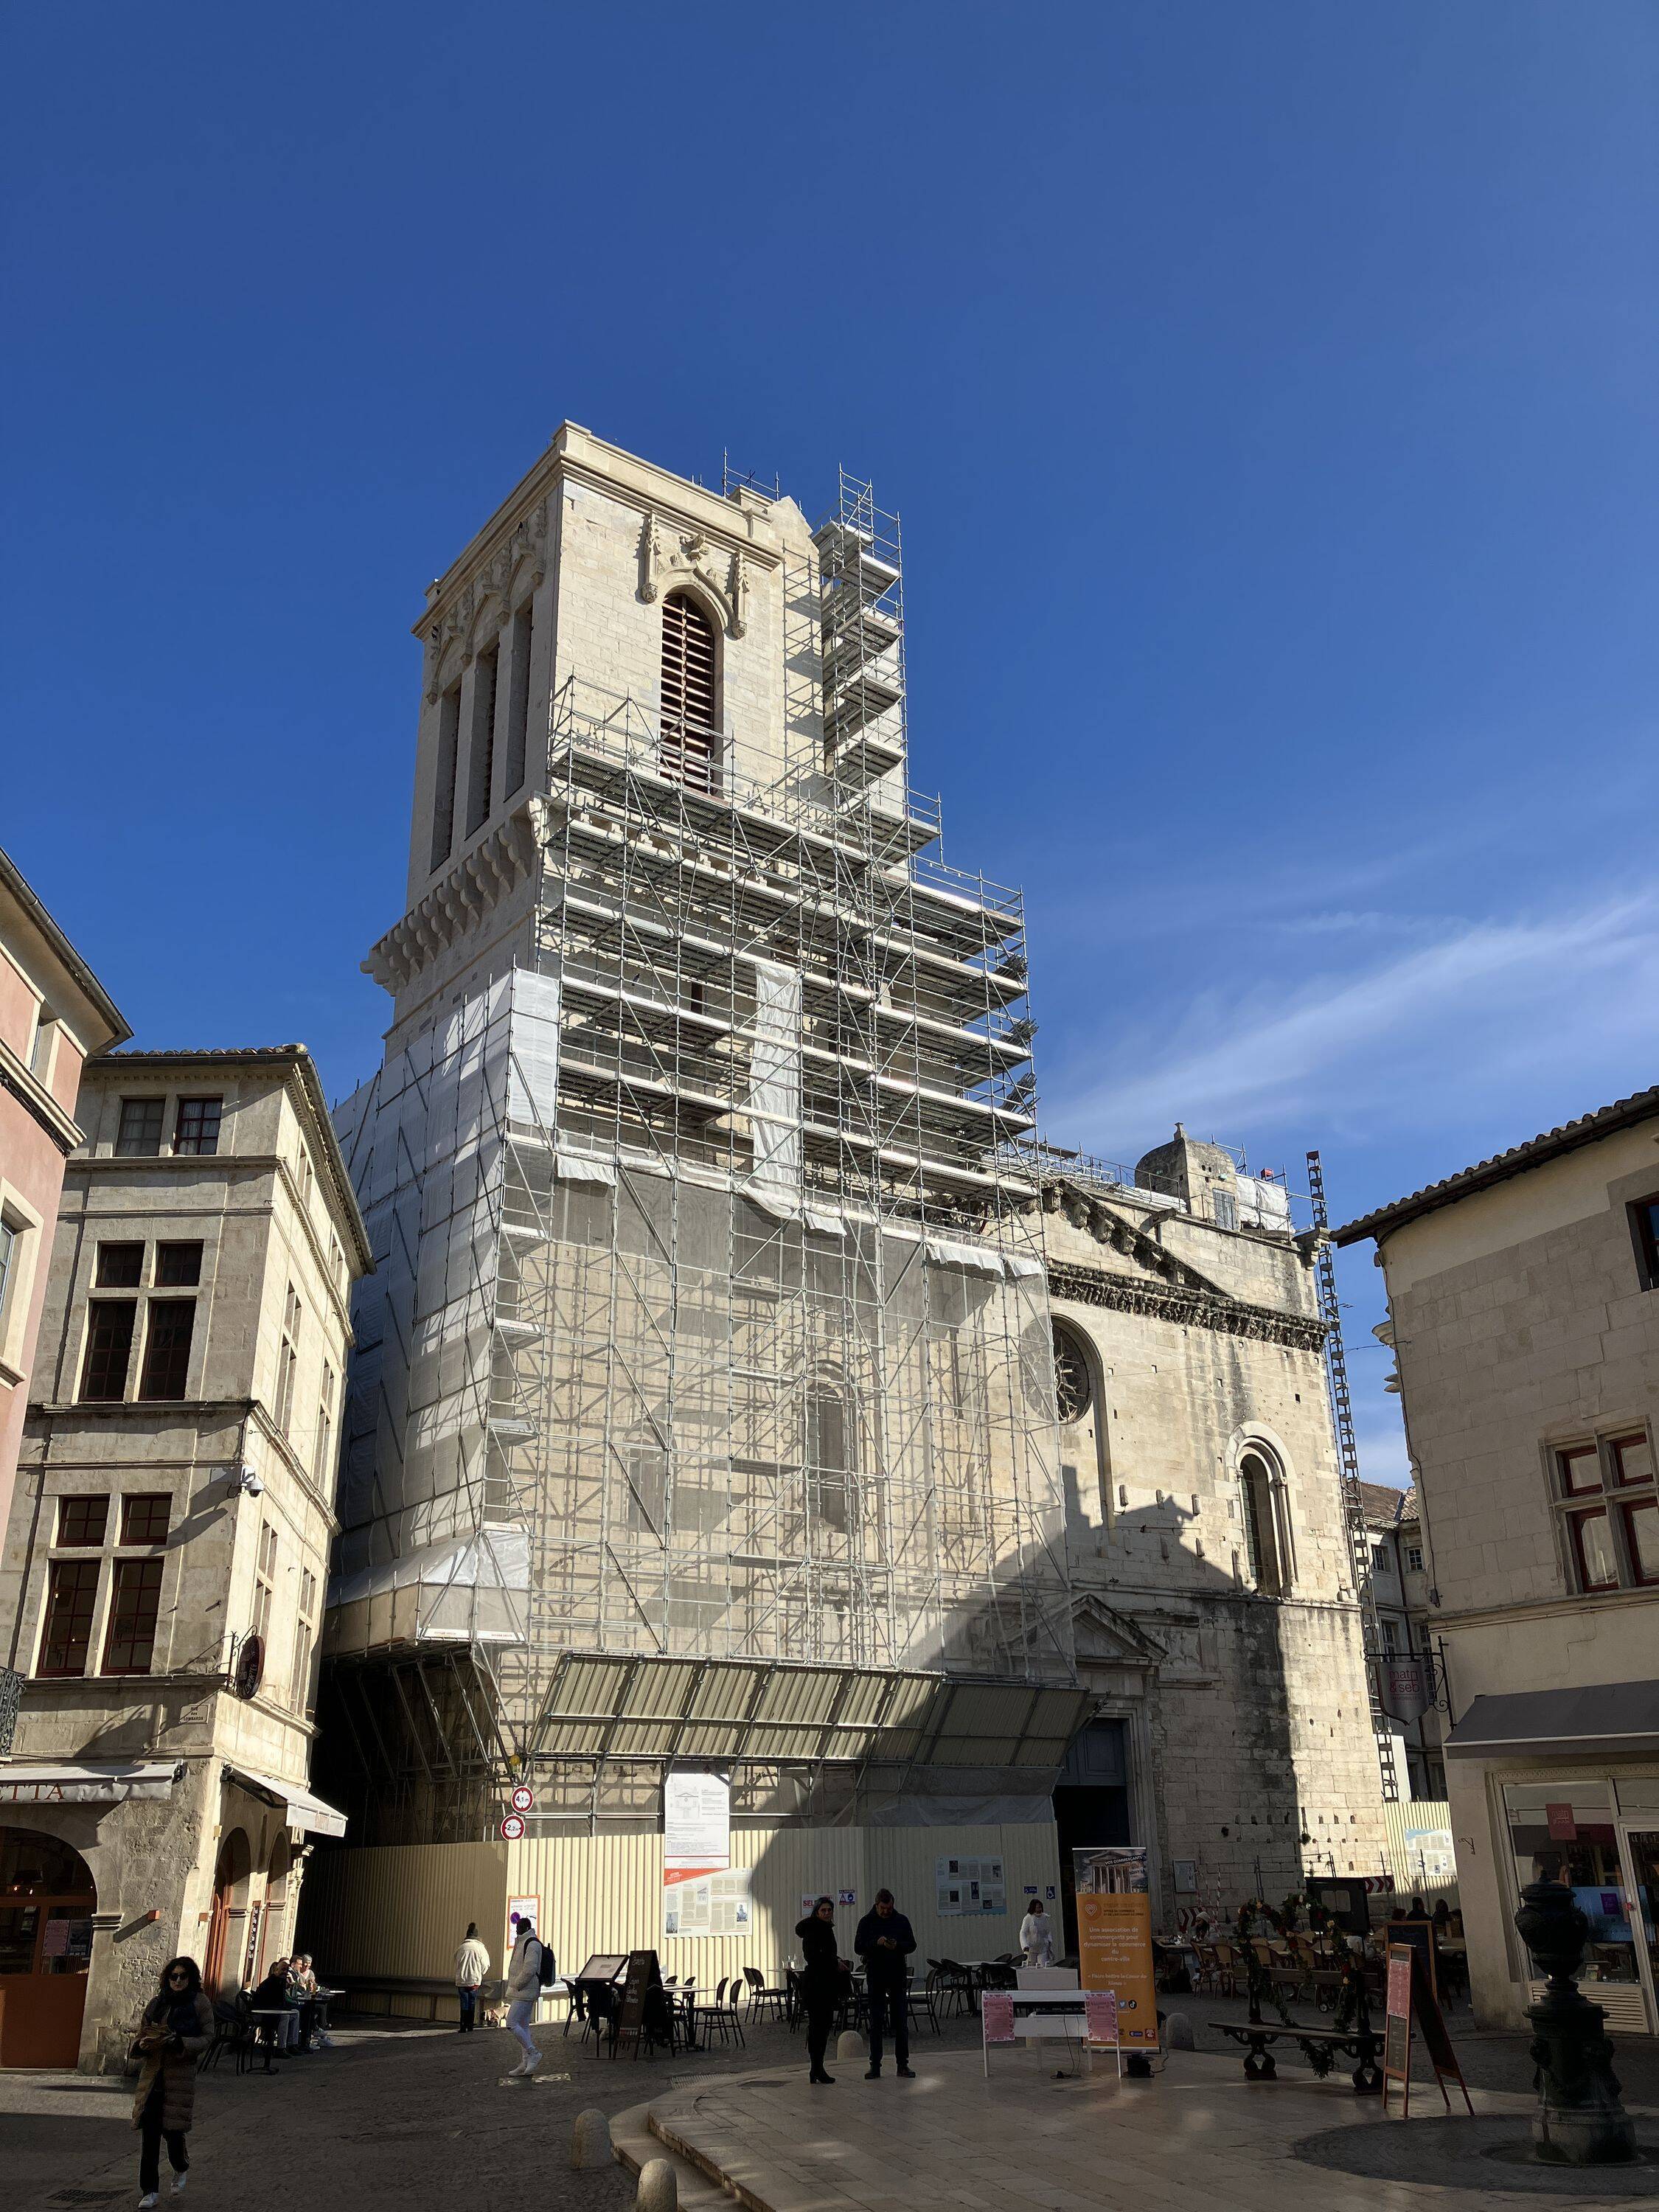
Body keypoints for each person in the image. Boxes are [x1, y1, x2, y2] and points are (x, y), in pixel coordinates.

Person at [131, 1956, 213, 2206]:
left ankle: (181, 2165)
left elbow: (208, 2036)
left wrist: (181, 2043)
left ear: (191, 1978)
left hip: (179, 2076)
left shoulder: (199, 2003)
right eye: (173, 1976)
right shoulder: (157, 2003)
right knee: (150, 2134)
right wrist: (142, 2045)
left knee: (174, 2133)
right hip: (153, 2075)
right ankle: (150, 2190)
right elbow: (142, 2033)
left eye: (182, 1977)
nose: (177, 1981)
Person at [854, 1889, 916, 2080]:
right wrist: (876, 1943)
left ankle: (902, 2064)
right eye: (883, 1908)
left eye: (889, 1908)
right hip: (877, 1975)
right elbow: (858, 1947)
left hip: (897, 1975)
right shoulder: (866, 1922)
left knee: (901, 2022)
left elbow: (912, 1945)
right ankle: (875, 2065)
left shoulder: (901, 1920)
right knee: (876, 2022)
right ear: (876, 1905)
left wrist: (897, 1946)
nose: (886, 1912)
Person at [794, 1896, 846, 2086]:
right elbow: (814, 1956)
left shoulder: (826, 1929)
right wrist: (833, 1962)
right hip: (816, 1985)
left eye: (829, 1910)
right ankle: (816, 2068)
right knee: (818, 2027)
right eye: (823, 1910)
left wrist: (835, 1961)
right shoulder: (813, 1930)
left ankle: (818, 2067)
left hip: (826, 1984)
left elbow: (828, 1954)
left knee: (823, 2027)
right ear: (817, 1912)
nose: (826, 1913)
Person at [503, 1913, 545, 2078]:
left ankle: (533, 2053)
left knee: (511, 2022)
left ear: (526, 1928)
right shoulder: (524, 1942)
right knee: (523, 2026)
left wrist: (516, 1984)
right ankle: (525, 2062)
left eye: (519, 1927)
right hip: (522, 1991)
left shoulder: (532, 1944)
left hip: (525, 1990)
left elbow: (529, 1969)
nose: (517, 1930)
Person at [249, 1957, 302, 2053]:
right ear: (276, 1971)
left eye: (286, 1970)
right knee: (285, 2016)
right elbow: (272, 2002)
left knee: (296, 2013)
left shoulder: (280, 1982)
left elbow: (282, 2001)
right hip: (265, 2014)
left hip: (275, 2011)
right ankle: (281, 2048)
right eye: (283, 1970)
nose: (285, 1973)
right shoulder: (271, 1982)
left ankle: (292, 2044)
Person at [454, 1921, 490, 2034]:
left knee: (464, 2003)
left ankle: (463, 2026)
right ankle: (470, 2026)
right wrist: (480, 1973)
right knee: (472, 2002)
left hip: (461, 1980)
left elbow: (456, 1962)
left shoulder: (461, 1948)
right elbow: (486, 1965)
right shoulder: (480, 1948)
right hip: (474, 1980)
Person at [1020, 1900, 1054, 1967]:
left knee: (1043, 1968)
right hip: (1031, 1949)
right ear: (1033, 1908)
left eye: (1040, 1907)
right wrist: (1025, 1946)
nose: (1039, 1909)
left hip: (1043, 1949)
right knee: (1031, 1968)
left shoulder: (1045, 1918)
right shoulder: (1028, 1918)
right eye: (1037, 1907)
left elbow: (1048, 1931)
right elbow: (1023, 1933)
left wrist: (1049, 1941)